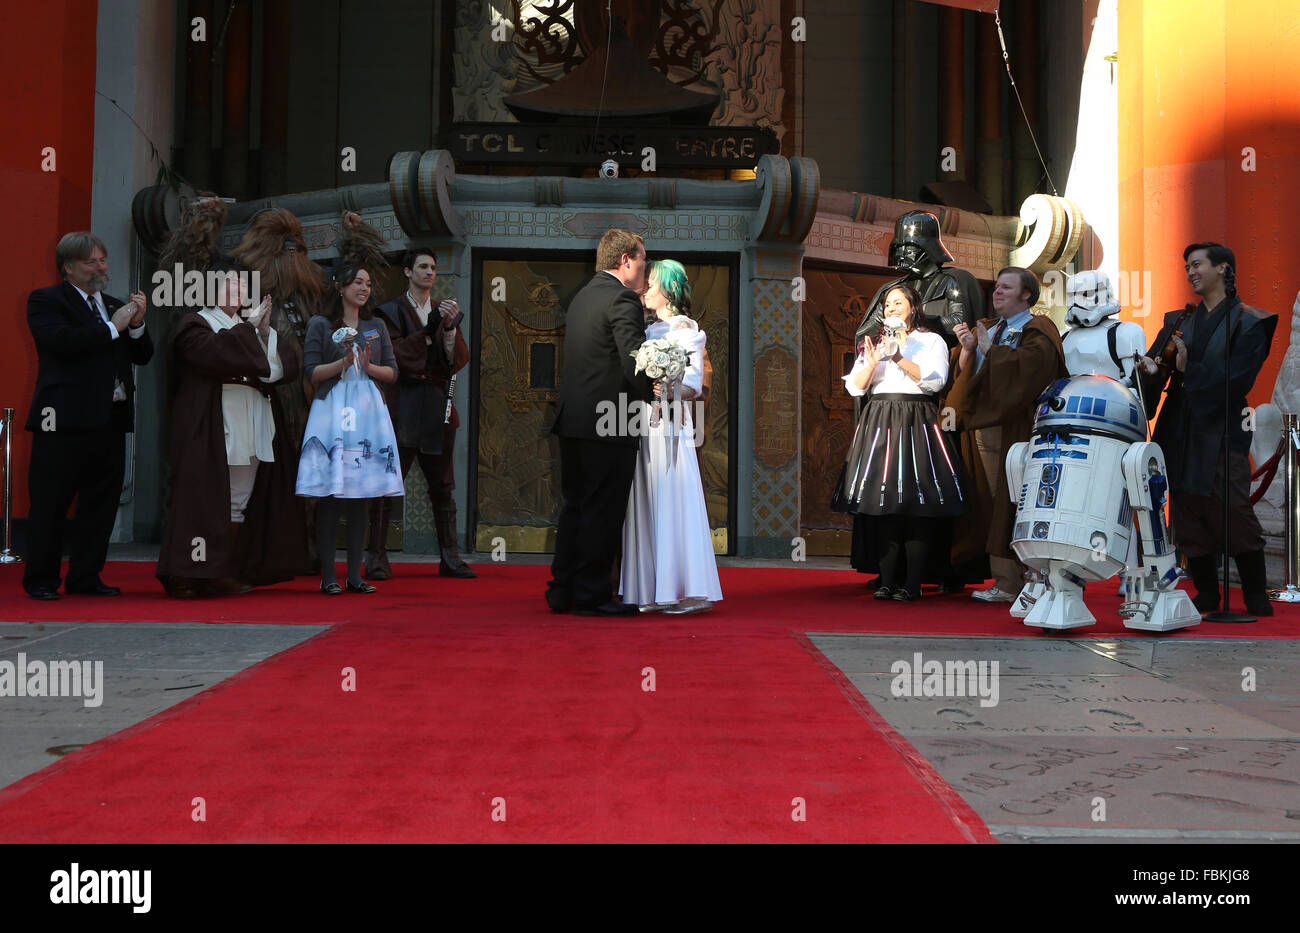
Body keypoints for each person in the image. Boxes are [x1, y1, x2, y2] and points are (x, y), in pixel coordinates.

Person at [1138, 242, 1277, 616]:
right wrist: (1151, 372)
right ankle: (1207, 594)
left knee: (1230, 507)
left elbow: (1239, 380)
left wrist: (1188, 370)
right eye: (1187, 266)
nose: (1190, 271)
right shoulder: (1179, 321)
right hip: (1180, 423)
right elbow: (1157, 365)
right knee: (1185, 510)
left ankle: (1254, 595)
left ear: (1224, 269)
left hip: (1222, 426)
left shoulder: (1251, 322)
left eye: (1198, 264)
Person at [156, 258, 309, 597]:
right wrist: (248, 331)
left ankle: (221, 571)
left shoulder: (250, 326)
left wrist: (265, 332)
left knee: (239, 498)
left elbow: (278, 370)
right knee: (204, 497)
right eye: (230, 283)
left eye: (242, 285)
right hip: (213, 417)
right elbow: (214, 355)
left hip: (251, 413)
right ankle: (187, 572)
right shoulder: (195, 323)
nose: (238, 290)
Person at [23, 232, 154, 600]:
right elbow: (63, 344)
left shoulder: (114, 306)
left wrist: (139, 324)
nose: (101, 267)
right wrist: (116, 326)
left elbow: (142, 355)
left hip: (109, 418)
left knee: (100, 504)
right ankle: (42, 581)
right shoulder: (46, 301)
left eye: (103, 259)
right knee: (52, 502)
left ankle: (86, 577)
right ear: (68, 267)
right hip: (61, 421)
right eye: (91, 261)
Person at [833, 284, 967, 600]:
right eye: (887, 303)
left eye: (898, 302)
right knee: (883, 505)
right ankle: (887, 581)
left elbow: (935, 380)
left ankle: (913, 584)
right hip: (879, 418)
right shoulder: (874, 343)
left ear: (912, 306)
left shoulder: (931, 340)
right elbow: (855, 388)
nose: (891, 307)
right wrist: (874, 359)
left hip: (916, 418)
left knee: (916, 505)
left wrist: (898, 357)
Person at [546, 228, 653, 616]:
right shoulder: (622, 298)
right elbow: (633, 359)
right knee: (602, 510)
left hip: (574, 421)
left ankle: (562, 590)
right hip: (610, 422)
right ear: (625, 260)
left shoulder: (581, 297)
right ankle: (591, 595)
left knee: (575, 507)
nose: (645, 269)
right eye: (642, 260)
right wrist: (653, 393)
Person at [947, 266, 1068, 602]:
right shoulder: (988, 328)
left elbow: (1033, 372)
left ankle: (1027, 578)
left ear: (1026, 294)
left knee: (1016, 500)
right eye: (996, 287)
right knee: (990, 500)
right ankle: (1003, 578)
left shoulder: (1038, 328)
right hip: (983, 424)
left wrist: (992, 350)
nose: (997, 292)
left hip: (1020, 426)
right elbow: (964, 374)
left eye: (1006, 288)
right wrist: (970, 350)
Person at [619, 260, 723, 613]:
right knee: (649, 499)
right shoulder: (650, 330)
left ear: (670, 288)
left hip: (671, 424)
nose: (645, 287)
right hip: (645, 423)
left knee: (674, 498)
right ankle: (651, 587)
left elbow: (694, 384)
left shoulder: (686, 331)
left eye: (652, 282)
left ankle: (686, 589)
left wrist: (669, 383)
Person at [367, 249, 474, 580]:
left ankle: (450, 557)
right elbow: (392, 356)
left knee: (442, 485)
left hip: (436, 405)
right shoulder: (388, 312)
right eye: (423, 267)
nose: (429, 272)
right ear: (407, 272)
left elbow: (456, 361)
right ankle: (376, 557)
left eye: (433, 267)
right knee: (389, 483)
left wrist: (450, 331)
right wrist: (428, 333)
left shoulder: (441, 310)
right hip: (402, 405)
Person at [297, 265, 402, 594]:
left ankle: (355, 575)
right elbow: (312, 372)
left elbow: (393, 373)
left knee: (362, 494)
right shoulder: (321, 324)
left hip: (368, 410)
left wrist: (370, 367)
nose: (364, 288)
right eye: (357, 282)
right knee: (331, 494)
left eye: (368, 283)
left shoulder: (376, 325)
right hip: (333, 410)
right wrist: (342, 363)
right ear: (340, 286)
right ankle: (329, 574)